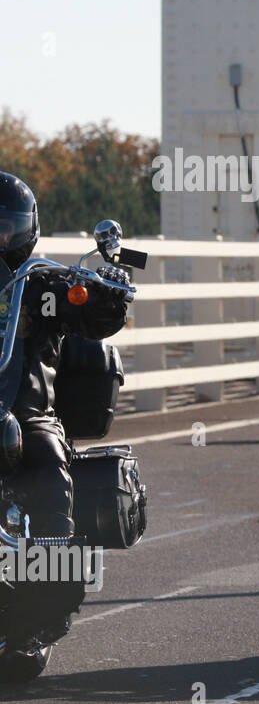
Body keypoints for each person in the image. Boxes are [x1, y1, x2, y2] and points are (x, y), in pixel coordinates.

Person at [0, 172, 130, 643]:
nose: (1, 237)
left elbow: (89, 317)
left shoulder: (42, 284)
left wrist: (109, 294)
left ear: (27, 229)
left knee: (51, 466)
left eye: (7, 227)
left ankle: (51, 584)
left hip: (27, 410)